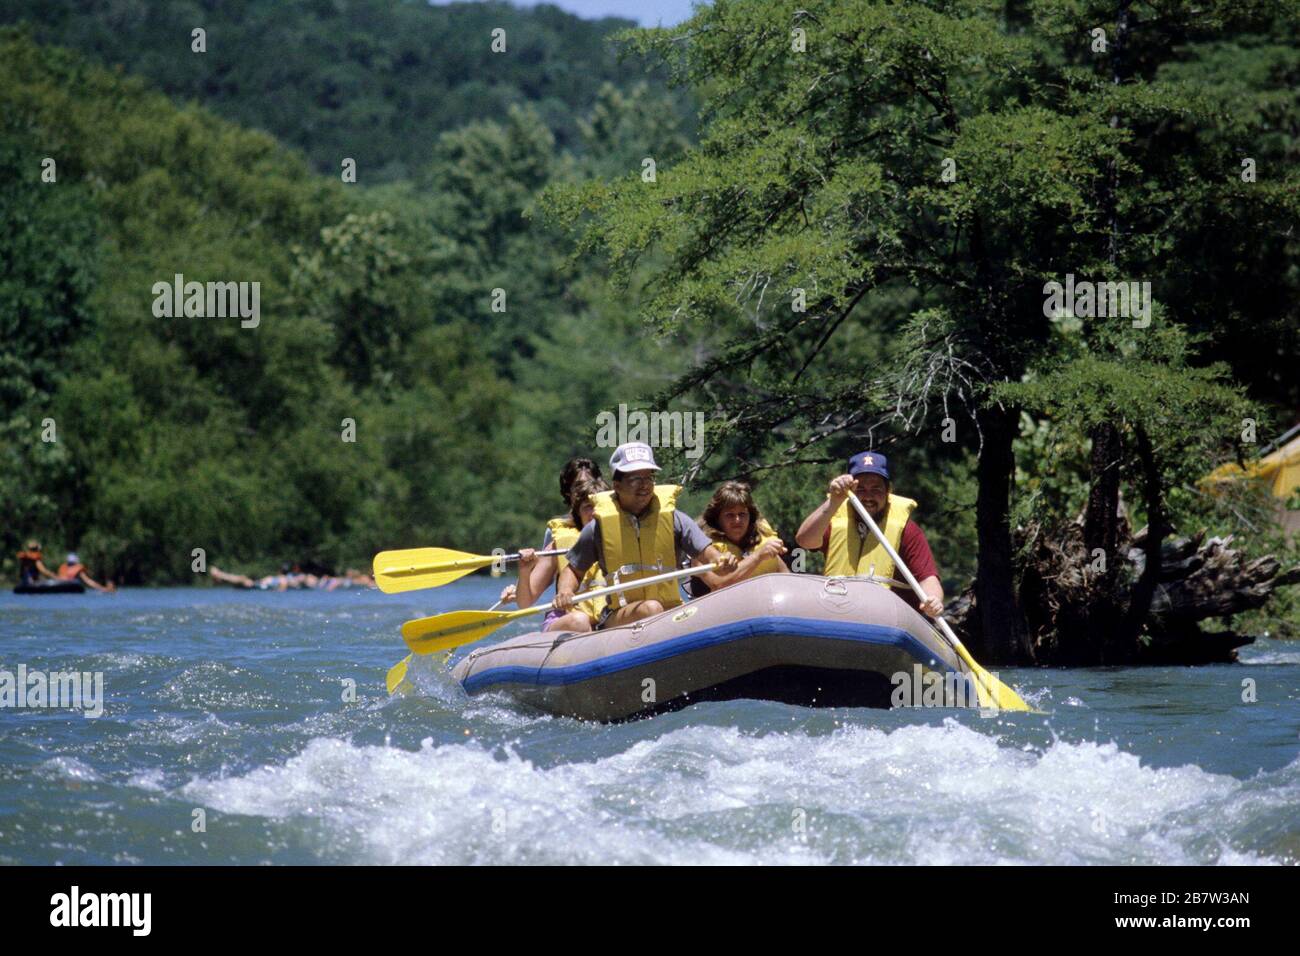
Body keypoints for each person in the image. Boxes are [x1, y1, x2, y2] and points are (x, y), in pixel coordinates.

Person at [553, 442, 738, 628]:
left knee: (660, 609)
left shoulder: (675, 519)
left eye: (648, 478)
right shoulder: (597, 528)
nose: (644, 485)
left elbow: (709, 555)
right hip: (620, 614)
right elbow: (573, 571)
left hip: (670, 609)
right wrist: (565, 591)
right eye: (635, 479)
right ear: (617, 485)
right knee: (651, 608)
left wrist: (723, 559)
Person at [794, 451, 943, 617]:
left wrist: (933, 600)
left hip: (888, 618)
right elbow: (805, 541)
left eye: (876, 489)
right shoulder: (835, 518)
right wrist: (834, 501)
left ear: (888, 491)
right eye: (861, 489)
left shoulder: (907, 530)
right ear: (850, 492)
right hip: (838, 611)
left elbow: (928, 578)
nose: (868, 496)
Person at [497, 456, 602, 608]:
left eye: (591, 483)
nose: (586, 491)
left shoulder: (617, 526)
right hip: (573, 610)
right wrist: (523, 581)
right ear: (568, 492)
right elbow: (538, 586)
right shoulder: (557, 536)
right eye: (579, 486)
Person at [512, 475, 610, 632]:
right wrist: (524, 571)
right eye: (587, 507)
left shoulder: (622, 540)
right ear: (578, 513)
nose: (594, 512)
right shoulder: (559, 544)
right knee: (579, 620)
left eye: (598, 505)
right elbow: (525, 602)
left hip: (608, 618)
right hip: (568, 618)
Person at [688, 481, 789, 597]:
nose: (737, 520)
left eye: (742, 514)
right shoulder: (700, 546)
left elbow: (785, 575)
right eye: (730, 515)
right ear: (717, 518)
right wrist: (757, 556)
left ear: (750, 515)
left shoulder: (761, 536)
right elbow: (718, 586)